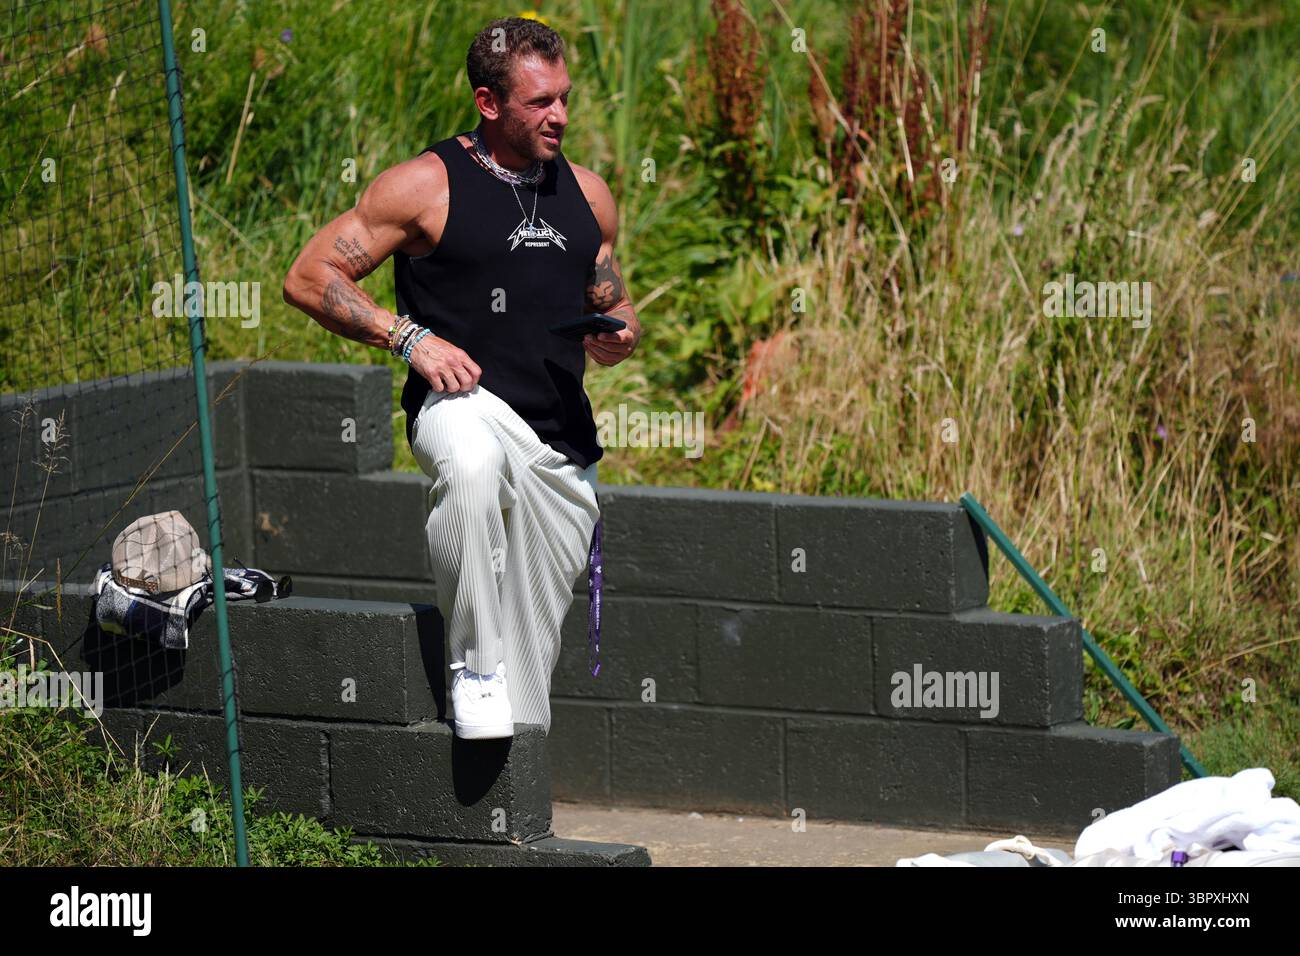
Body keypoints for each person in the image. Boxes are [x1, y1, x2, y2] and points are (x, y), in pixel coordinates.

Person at [283, 16, 641, 739]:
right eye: (540, 103)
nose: (560, 116)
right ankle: (473, 666)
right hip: (461, 403)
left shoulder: (589, 194)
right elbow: (307, 275)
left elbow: (610, 295)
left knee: (529, 689)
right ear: (488, 102)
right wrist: (407, 336)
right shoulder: (424, 185)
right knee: (472, 467)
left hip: (557, 442)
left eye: (564, 97)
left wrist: (619, 331)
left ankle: (509, 819)